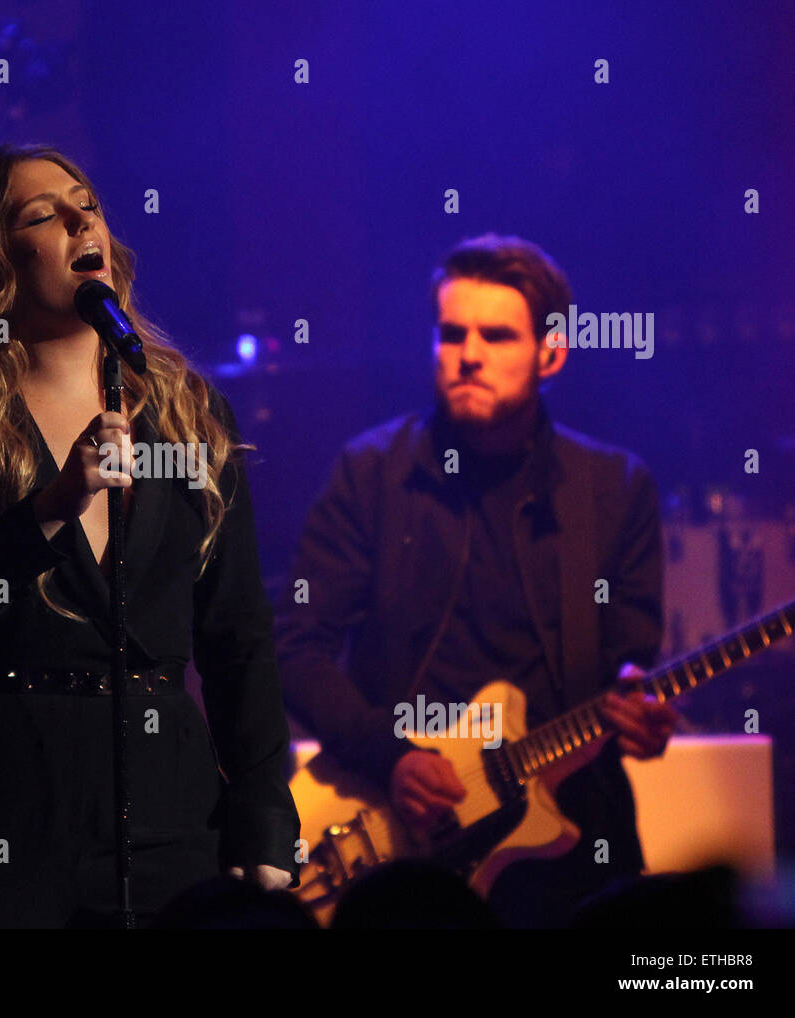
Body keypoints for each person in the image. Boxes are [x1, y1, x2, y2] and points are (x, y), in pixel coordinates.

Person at [0, 143, 299, 928]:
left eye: (84, 203)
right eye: (41, 215)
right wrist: (48, 510)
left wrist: (266, 815)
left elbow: (238, 635)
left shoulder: (188, 415)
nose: (77, 218)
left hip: (166, 804)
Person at [276, 234, 680, 927]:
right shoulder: (371, 473)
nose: (467, 355)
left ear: (552, 353)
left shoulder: (614, 488)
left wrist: (642, 718)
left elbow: (631, 667)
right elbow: (295, 646)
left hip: (572, 851)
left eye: (496, 336)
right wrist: (392, 755)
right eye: (452, 333)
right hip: (406, 848)